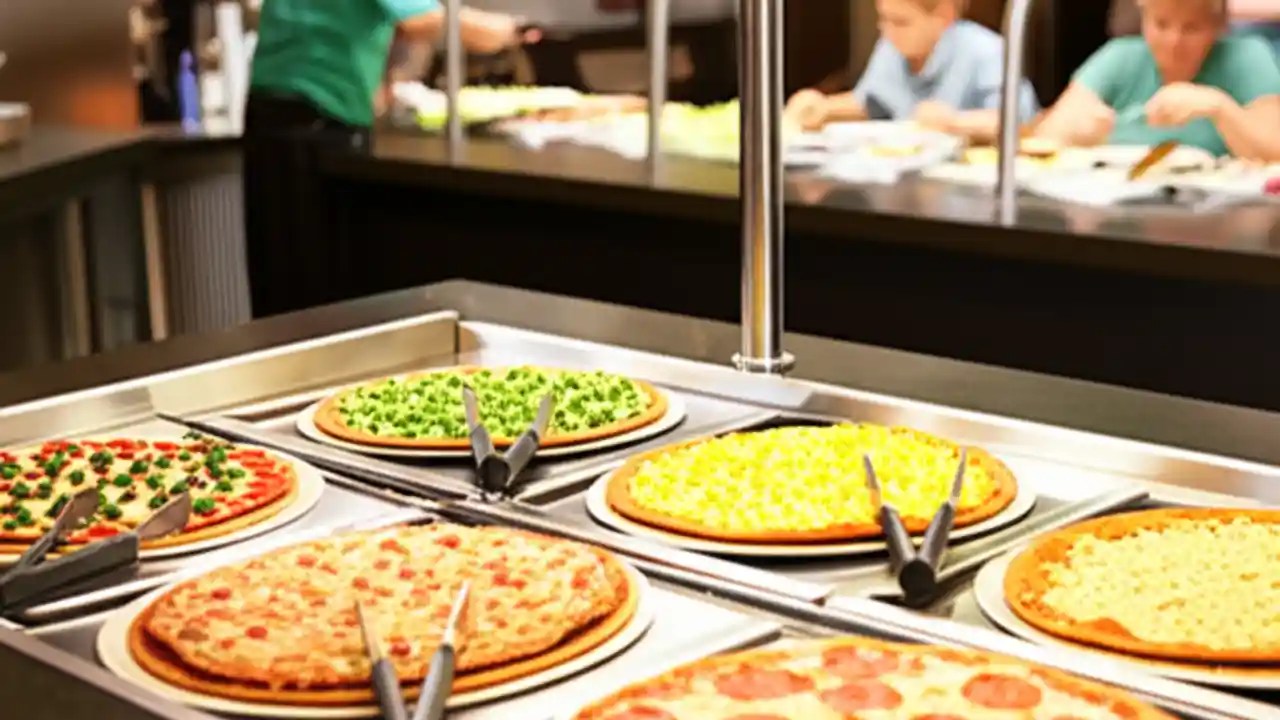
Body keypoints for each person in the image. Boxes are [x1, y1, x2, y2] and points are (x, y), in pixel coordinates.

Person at [243, 0, 526, 318]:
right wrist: (510, 30)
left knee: (281, 279)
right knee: (311, 289)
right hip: (314, 119)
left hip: (273, 113)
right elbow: (424, 19)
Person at [1036, 0, 1280, 160]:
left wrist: (1220, 108)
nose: (1174, 42)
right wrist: (1071, 131)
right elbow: (1042, 137)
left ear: (1218, 28)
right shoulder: (1120, 55)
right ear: (1143, 21)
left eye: (1191, 28)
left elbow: (1274, 148)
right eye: (1161, 25)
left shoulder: (1247, 57)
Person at [783, 0, 1039, 142]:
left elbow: (1021, 123)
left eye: (900, 22)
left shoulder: (987, 51)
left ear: (945, 15)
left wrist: (954, 123)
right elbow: (871, 102)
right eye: (882, 19)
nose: (887, 31)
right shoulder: (890, 46)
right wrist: (823, 107)